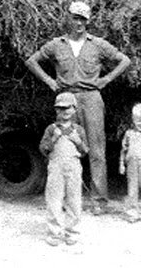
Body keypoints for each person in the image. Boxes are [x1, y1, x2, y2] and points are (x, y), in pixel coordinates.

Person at [25, 1, 131, 215]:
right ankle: (65, 200)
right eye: (75, 17)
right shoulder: (57, 44)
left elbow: (124, 60)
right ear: (68, 18)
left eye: (83, 18)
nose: (79, 23)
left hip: (91, 98)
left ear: (88, 21)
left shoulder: (98, 44)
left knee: (96, 150)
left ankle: (99, 201)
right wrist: (49, 81)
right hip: (66, 99)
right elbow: (32, 61)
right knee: (65, 147)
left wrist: (106, 79)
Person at [39, 91, 88, 246]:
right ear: (56, 110)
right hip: (56, 166)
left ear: (74, 109)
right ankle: (54, 233)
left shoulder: (78, 130)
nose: (64, 112)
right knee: (54, 199)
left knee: (74, 199)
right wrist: (54, 138)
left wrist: (78, 141)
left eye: (68, 108)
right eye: (60, 108)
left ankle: (72, 232)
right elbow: (43, 149)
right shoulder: (51, 129)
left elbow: (85, 151)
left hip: (73, 166)